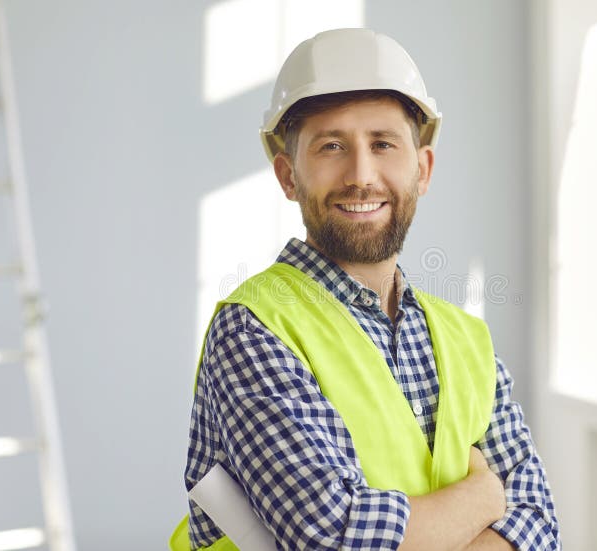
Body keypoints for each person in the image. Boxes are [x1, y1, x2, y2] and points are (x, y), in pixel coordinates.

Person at [172, 28, 561, 551]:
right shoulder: (253, 329)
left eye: (383, 144)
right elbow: (336, 537)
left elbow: (537, 521)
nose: (362, 174)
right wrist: (483, 496)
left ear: (422, 170)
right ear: (289, 176)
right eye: (331, 146)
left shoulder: (467, 339)